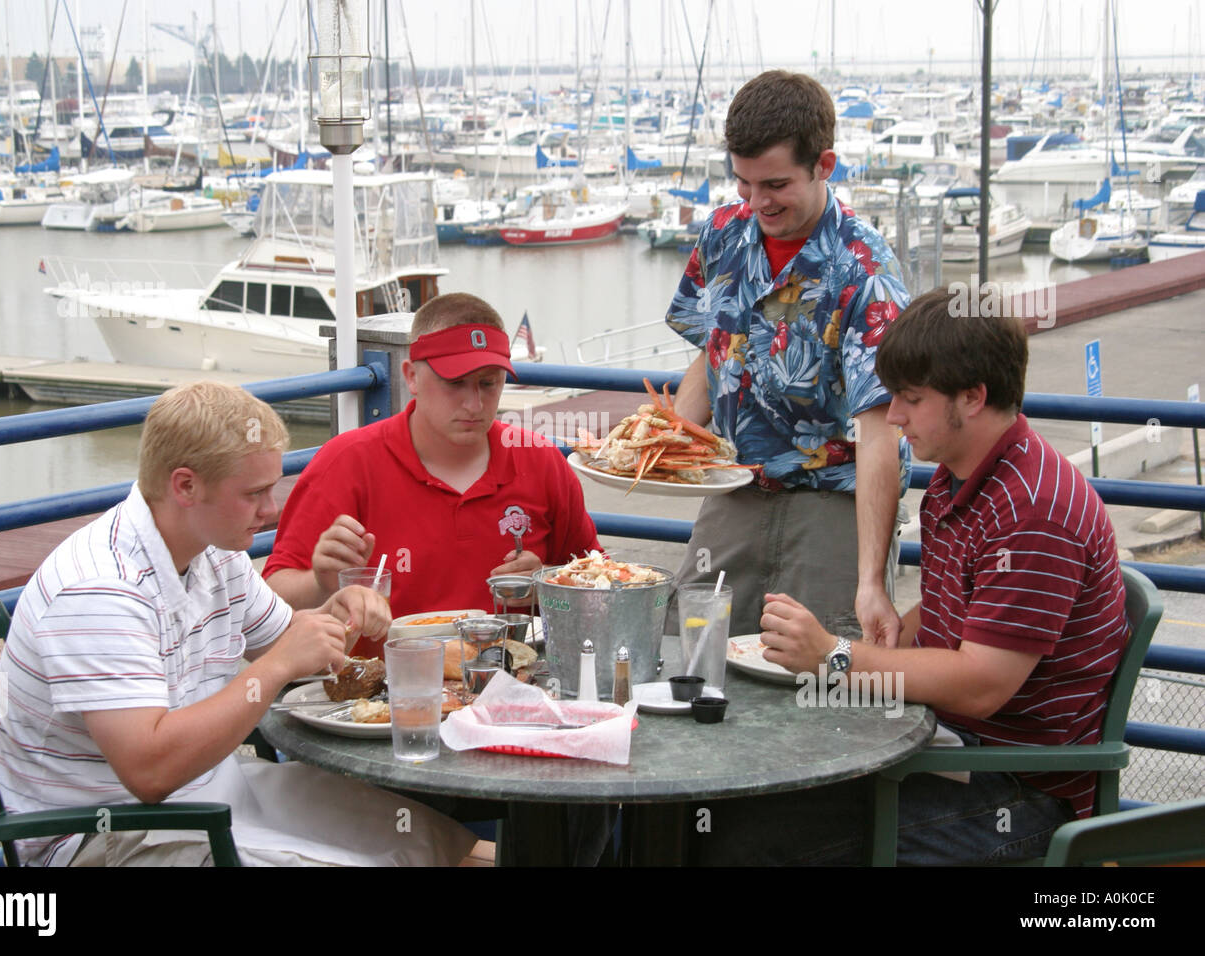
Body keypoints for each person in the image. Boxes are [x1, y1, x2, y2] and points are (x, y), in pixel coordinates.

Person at [691, 288, 1130, 864]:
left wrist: (834, 658)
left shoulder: (1034, 512)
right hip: (954, 756)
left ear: (972, 398)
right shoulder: (964, 475)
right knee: (726, 806)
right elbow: (968, 610)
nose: (892, 416)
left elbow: (980, 685)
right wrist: (897, 627)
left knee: (744, 840)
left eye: (910, 398)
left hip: (1020, 794)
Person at [0, 381, 479, 866]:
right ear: (185, 486)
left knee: (436, 838)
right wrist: (277, 667)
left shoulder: (212, 550)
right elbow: (150, 770)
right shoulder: (99, 589)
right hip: (111, 836)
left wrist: (334, 612)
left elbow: (286, 646)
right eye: (255, 493)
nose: (271, 510)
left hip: (209, 794)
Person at [665, 70, 911, 642]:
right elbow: (715, 348)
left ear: (824, 165)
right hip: (733, 485)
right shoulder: (722, 233)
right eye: (744, 184)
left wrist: (870, 579)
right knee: (690, 645)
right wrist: (665, 442)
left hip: (832, 499)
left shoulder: (865, 272)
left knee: (822, 673)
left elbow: (881, 433)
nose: (757, 203)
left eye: (774, 185)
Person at [265, 292, 600, 623]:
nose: (474, 404)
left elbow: (599, 582)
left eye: (488, 383)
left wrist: (547, 582)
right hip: (382, 674)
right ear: (411, 376)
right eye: (454, 383)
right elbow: (269, 602)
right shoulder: (346, 462)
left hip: (513, 670)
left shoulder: (540, 460)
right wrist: (321, 582)